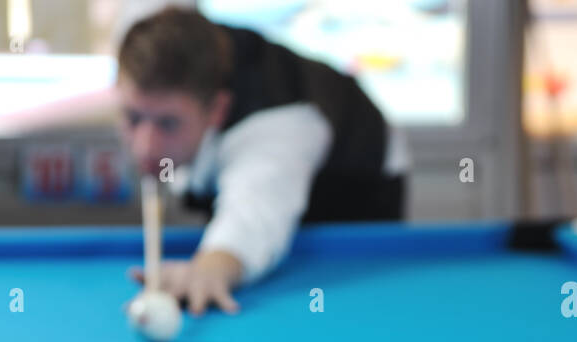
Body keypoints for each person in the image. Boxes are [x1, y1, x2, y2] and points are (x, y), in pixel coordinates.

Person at [115, 5, 409, 316]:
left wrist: (212, 266)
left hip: (354, 186)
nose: (144, 147)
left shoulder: (277, 125)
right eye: (133, 118)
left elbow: (254, 213)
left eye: (168, 124)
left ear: (217, 110)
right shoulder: (179, 60)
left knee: (341, 311)